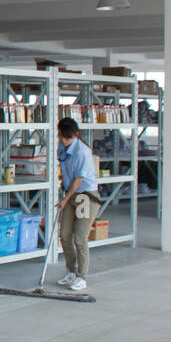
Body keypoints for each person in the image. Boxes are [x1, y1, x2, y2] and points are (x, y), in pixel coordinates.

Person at [55, 117, 101, 290]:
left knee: (80, 237)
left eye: (67, 137)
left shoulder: (82, 151)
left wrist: (65, 200)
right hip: (70, 194)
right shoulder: (62, 146)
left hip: (85, 197)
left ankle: (82, 276)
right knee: (65, 235)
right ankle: (71, 271)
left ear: (75, 135)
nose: (64, 140)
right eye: (62, 136)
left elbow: (78, 180)